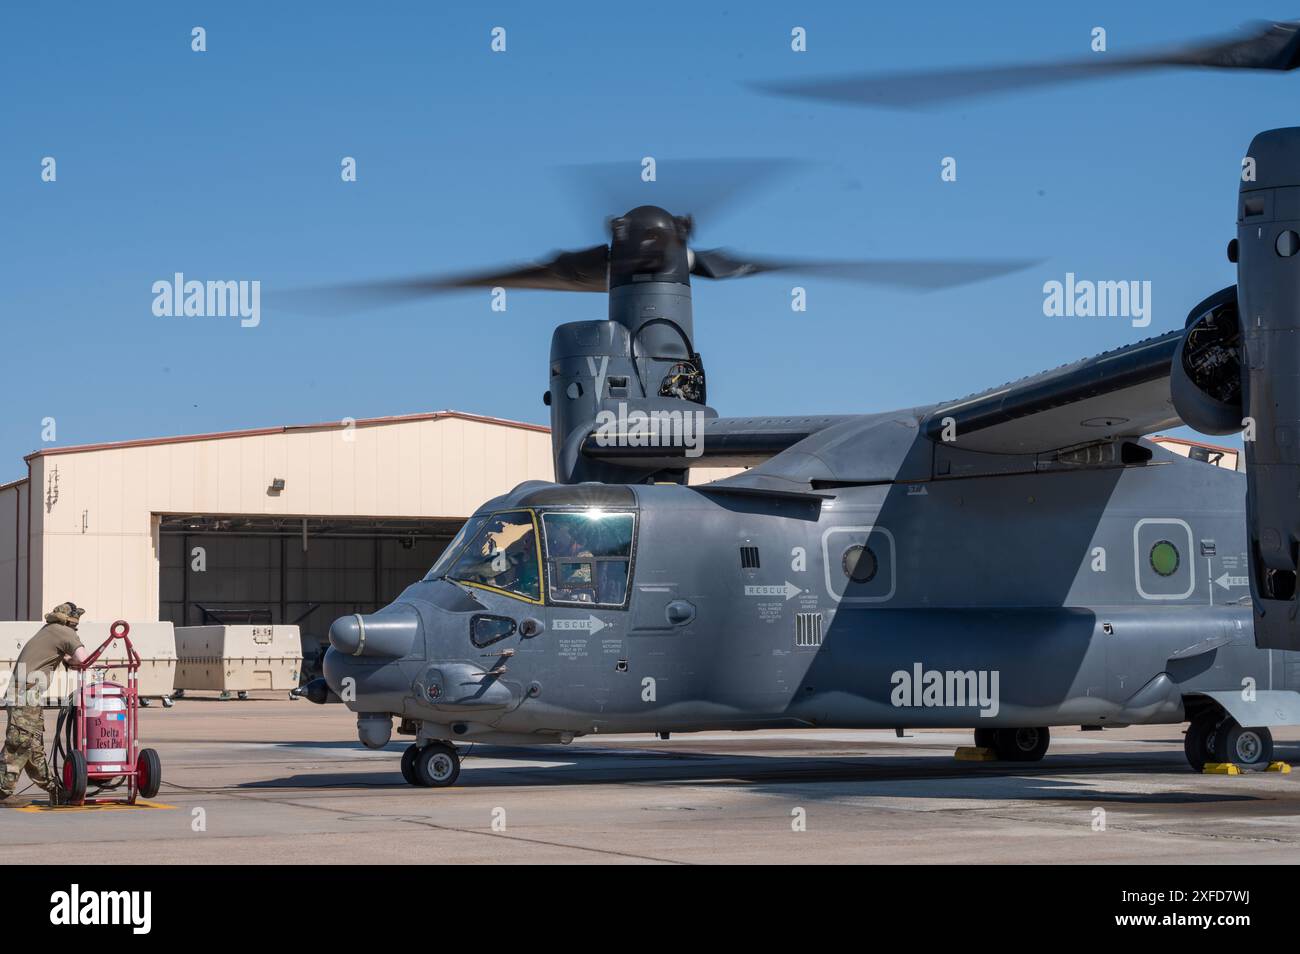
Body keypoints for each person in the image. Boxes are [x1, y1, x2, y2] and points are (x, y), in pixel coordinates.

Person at [1, 602, 90, 802]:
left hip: (23, 693)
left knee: (33, 746)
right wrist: (72, 662)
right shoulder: (65, 632)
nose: (76, 626)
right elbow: (83, 659)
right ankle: (2, 790)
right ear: (70, 620)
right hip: (25, 693)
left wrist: (66, 660)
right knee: (19, 743)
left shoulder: (49, 629)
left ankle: (56, 790)